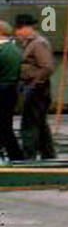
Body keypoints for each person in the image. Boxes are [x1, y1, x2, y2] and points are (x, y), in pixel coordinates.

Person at [14, 13, 56, 160]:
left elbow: (47, 67)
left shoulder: (38, 44)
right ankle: (48, 154)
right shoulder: (31, 43)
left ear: (26, 28)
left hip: (37, 89)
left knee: (29, 125)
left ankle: (29, 156)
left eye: (19, 29)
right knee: (40, 123)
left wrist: (33, 84)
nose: (17, 33)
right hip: (36, 87)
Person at [0, 21, 23, 162]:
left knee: (4, 127)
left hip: (2, 90)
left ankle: (15, 156)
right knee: (5, 125)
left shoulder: (3, 51)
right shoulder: (15, 49)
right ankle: (15, 156)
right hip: (10, 90)